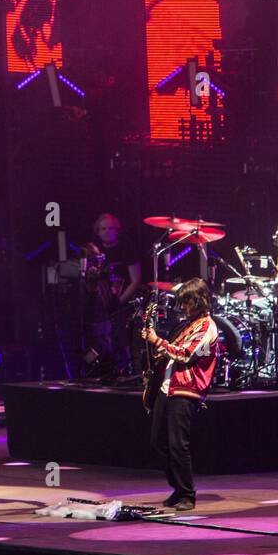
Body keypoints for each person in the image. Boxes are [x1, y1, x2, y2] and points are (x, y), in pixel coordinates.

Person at [141, 277, 218, 512]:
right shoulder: (188, 324)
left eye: (186, 302)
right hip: (168, 387)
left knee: (178, 445)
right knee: (158, 442)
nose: (182, 307)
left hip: (187, 390)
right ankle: (177, 486)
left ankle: (187, 494)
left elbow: (186, 354)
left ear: (198, 301)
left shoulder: (207, 327)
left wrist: (158, 341)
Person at [81, 213, 144, 377]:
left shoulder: (127, 248)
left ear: (117, 230)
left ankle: (127, 371)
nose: (107, 232)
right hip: (99, 306)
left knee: (120, 340)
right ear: (97, 231)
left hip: (122, 303)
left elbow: (135, 280)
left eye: (110, 228)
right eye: (103, 229)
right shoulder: (93, 251)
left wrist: (118, 303)